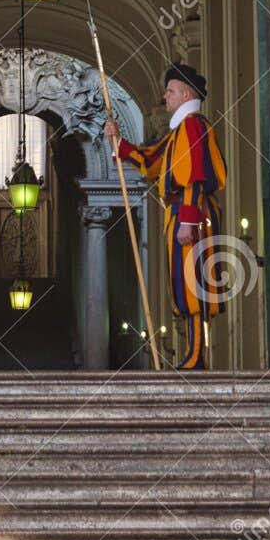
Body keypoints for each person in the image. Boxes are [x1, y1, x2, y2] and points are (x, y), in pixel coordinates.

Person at [104, 63, 226, 370]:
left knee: (193, 284)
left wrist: (188, 220)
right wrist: (118, 142)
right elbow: (151, 161)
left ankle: (198, 355)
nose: (165, 96)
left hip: (192, 214)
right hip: (182, 213)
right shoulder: (178, 132)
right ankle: (192, 353)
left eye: (170, 91)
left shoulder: (193, 126)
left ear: (186, 94)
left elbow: (194, 176)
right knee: (183, 287)